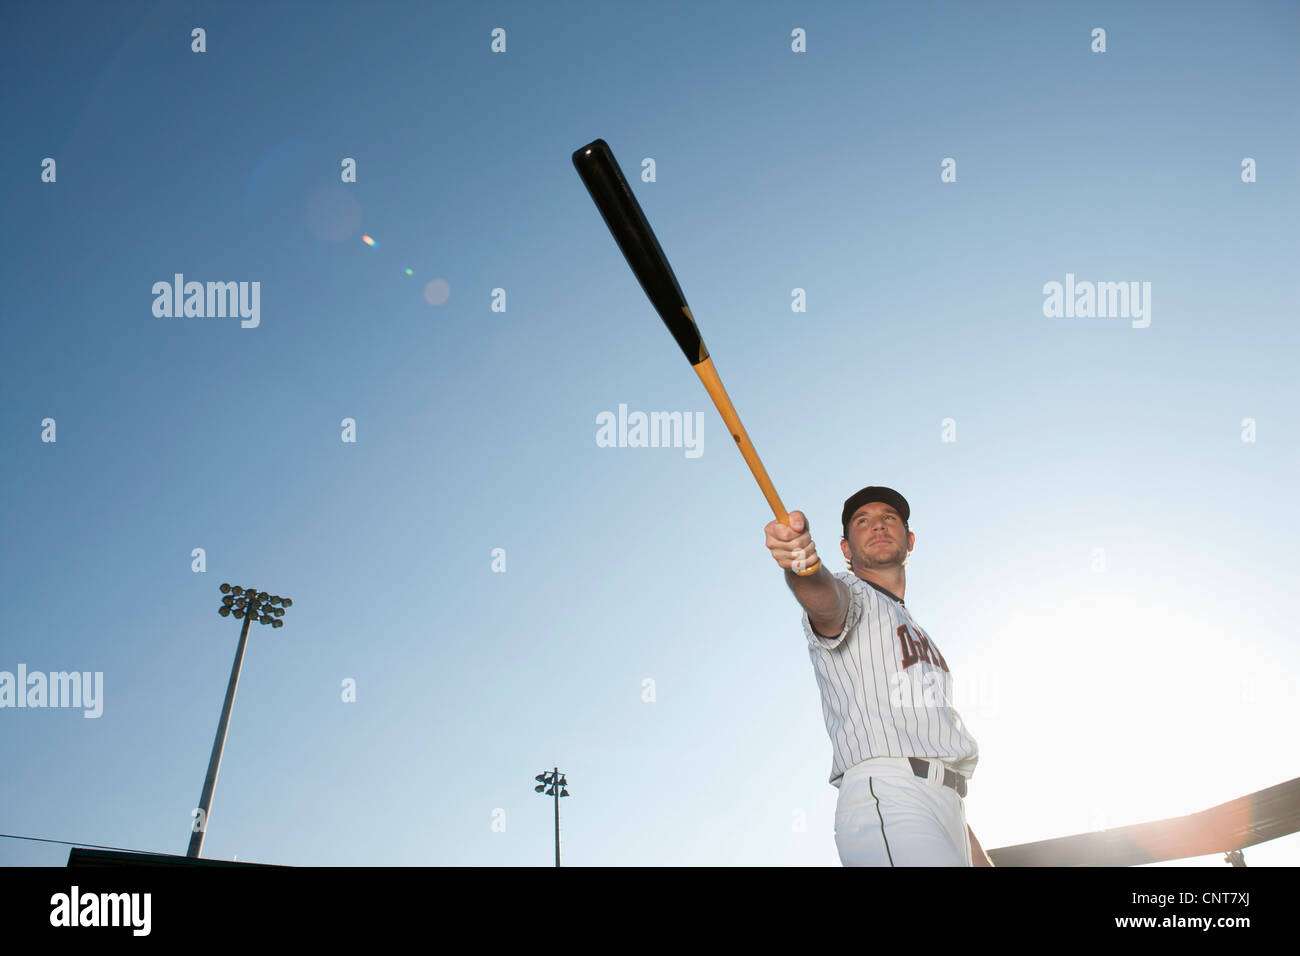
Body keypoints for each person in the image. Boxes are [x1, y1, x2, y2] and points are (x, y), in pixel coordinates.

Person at [765, 486, 993, 867]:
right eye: (862, 521)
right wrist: (802, 565)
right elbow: (826, 601)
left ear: (910, 540)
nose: (878, 525)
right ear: (845, 550)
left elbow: (935, 753)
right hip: (888, 791)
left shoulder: (920, 633)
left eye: (889, 517)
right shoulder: (851, 590)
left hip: (949, 802)